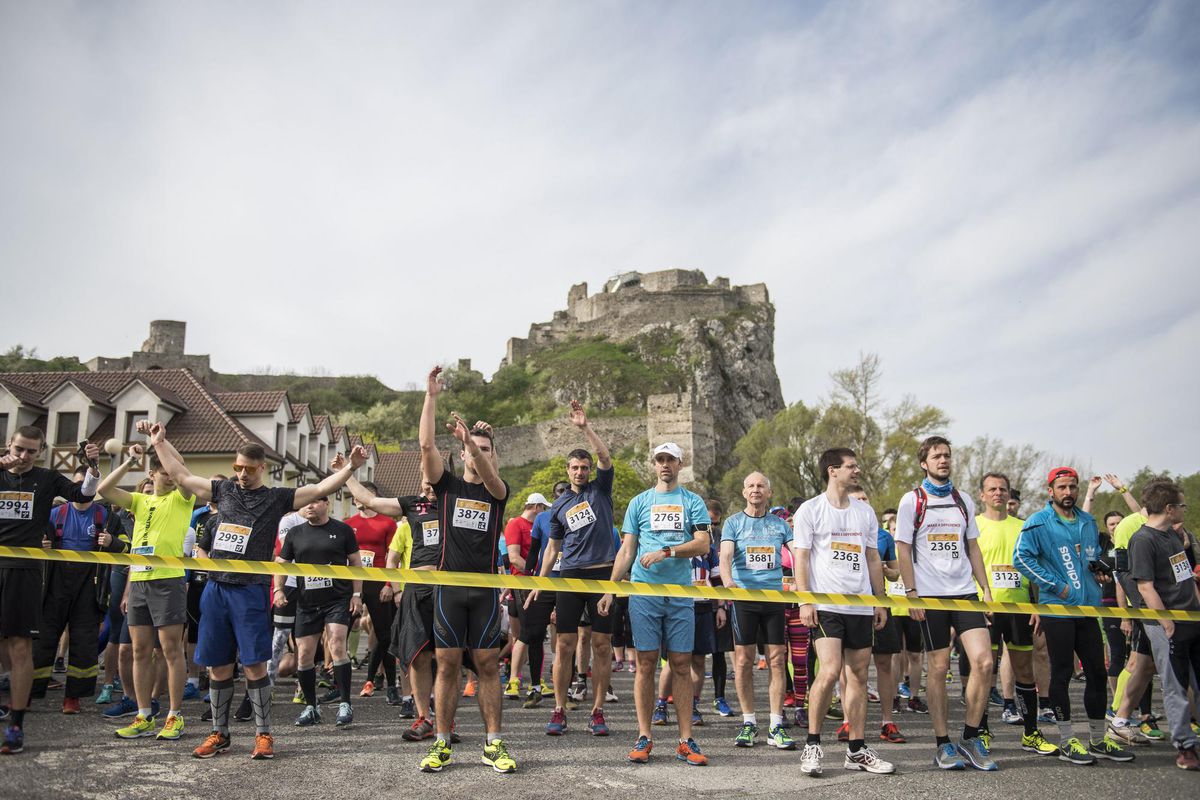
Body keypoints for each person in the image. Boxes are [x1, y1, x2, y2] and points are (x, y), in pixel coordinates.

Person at [147, 421, 367, 761]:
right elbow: (183, 476)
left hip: (249, 592)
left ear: (261, 468)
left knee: (254, 666)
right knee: (218, 667)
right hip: (216, 590)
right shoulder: (223, 490)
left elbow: (320, 487)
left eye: (248, 469)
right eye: (237, 468)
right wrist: (160, 442)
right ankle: (219, 733)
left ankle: (264, 734)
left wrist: (351, 466)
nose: (241, 475)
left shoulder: (276, 498)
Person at [414, 367, 515, 775]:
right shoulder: (448, 486)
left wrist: (474, 445)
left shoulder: (497, 491)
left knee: (488, 665)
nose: (480, 454)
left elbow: (491, 477)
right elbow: (424, 446)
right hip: (450, 590)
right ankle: (441, 742)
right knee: (447, 664)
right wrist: (431, 397)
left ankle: (494, 743)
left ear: (493, 455)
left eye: (487, 449)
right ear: (459, 456)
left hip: (486, 591)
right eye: (474, 449)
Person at [598, 442, 712, 767]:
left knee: (680, 663)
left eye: (670, 460)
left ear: (680, 463)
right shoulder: (639, 502)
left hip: (679, 593)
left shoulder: (692, 501)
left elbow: (703, 542)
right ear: (654, 464)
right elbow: (627, 550)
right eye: (660, 460)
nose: (665, 465)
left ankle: (685, 739)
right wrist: (610, 589)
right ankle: (644, 737)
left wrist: (667, 552)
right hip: (644, 591)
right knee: (645, 664)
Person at [1014, 467, 1133, 765]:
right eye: (1062, 487)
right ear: (1050, 490)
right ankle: (1067, 741)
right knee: (1063, 673)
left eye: (1073, 487)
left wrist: (1099, 570)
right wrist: (1056, 585)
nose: (1068, 493)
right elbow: (1021, 559)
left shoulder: (1088, 521)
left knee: (1095, 672)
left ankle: (1097, 740)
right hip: (1057, 609)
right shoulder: (1038, 522)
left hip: (1088, 608)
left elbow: (1090, 556)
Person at [895, 436, 996, 771]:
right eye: (937, 456)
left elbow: (973, 549)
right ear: (924, 462)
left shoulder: (962, 498)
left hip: (965, 592)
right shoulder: (913, 500)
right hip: (930, 594)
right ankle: (942, 744)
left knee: (984, 663)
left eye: (948, 455)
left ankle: (969, 737)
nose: (944, 460)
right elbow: (903, 550)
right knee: (938, 668)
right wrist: (911, 594)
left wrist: (986, 590)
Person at [0, 427, 101, 754]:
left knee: (20, 647)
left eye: (31, 451)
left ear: (40, 452)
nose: (23, 456)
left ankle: (17, 724)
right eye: (18, 449)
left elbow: (82, 495)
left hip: (24, 571)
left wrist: (93, 469)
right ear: (8, 445)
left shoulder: (45, 478)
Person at [794, 450, 894, 776]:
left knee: (860, 676)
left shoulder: (864, 512)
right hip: (825, 605)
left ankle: (856, 748)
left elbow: (873, 558)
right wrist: (805, 601)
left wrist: (879, 600)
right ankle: (812, 744)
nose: (857, 470)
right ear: (832, 470)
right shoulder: (811, 509)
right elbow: (802, 558)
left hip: (860, 605)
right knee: (829, 670)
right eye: (851, 466)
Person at [528, 400, 618, 738]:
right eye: (575, 468)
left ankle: (597, 711)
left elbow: (606, 458)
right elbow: (552, 548)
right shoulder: (559, 506)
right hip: (569, 577)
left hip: (602, 573)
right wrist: (539, 581)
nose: (580, 472)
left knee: (601, 645)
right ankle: (559, 709)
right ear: (567, 471)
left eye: (584, 467)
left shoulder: (601, 490)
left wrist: (585, 428)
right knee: (564, 645)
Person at [97, 444, 194, 742]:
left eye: (171, 473)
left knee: (169, 651)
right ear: (152, 474)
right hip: (138, 580)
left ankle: (174, 715)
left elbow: (183, 472)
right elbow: (103, 488)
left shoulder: (181, 497)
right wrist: (129, 461)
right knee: (139, 651)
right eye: (163, 473)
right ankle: (143, 715)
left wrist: (163, 445)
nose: (169, 477)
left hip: (168, 581)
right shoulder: (138, 500)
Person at [974, 472, 1059, 756]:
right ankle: (981, 730)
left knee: (1025, 671)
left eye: (1003, 489)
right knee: (984, 672)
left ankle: (1031, 733)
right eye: (992, 489)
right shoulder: (973, 526)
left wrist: (1038, 606)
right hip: (985, 609)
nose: (998, 493)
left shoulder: (1024, 527)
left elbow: (1037, 570)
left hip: (1020, 608)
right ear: (982, 495)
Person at [31, 463, 123, 713]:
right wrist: (42, 546)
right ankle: (29, 692)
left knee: (84, 641)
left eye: (86, 483)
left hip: (90, 584)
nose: (82, 489)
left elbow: (127, 546)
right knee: (44, 637)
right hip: (54, 582)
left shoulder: (106, 516)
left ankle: (73, 697)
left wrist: (112, 542)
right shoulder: (53, 514)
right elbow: (30, 541)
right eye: (78, 484)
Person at [718, 471, 796, 750]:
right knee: (743, 661)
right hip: (744, 599)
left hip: (774, 598)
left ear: (768, 492)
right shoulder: (733, 523)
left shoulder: (780, 525)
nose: (756, 489)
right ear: (743, 492)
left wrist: (804, 581)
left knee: (777, 659)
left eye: (761, 485)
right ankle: (749, 722)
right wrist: (729, 584)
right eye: (750, 485)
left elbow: (798, 554)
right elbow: (725, 555)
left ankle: (776, 724)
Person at [1126, 477, 1200, 771]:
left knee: (1196, 681)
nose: (1184, 509)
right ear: (1169, 508)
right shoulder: (1143, 540)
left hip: (1191, 619)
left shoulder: (1172, 535)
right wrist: (1165, 621)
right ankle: (1185, 746)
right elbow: (1145, 586)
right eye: (1181, 505)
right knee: (1175, 685)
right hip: (1167, 625)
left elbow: (1183, 576)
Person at [275, 496, 362, 728]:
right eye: (305, 504)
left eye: (314, 502)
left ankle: (345, 703)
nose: (309, 506)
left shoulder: (342, 530)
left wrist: (356, 595)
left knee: (336, 643)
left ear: (326, 504)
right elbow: (281, 563)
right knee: (304, 654)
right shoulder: (295, 533)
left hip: (336, 599)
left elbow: (356, 563)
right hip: (307, 601)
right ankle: (311, 707)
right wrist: (278, 590)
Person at [342, 481, 399, 705]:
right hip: (354, 583)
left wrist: (388, 584)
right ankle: (339, 687)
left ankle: (390, 686)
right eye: (357, 495)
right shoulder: (348, 524)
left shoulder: (387, 523)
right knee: (340, 633)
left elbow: (392, 556)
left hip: (377, 583)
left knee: (385, 635)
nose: (360, 498)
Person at [517, 480, 569, 709]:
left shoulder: (578, 516)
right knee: (534, 634)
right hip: (544, 582)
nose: (562, 495)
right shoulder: (541, 519)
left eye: (566, 492)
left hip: (569, 583)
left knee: (568, 638)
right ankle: (536, 687)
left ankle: (567, 688)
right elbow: (534, 552)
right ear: (552, 496)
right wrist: (528, 577)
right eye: (559, 492)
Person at [502, 492, 546, 701]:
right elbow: (513, 557)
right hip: (523, 584)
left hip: (535, 583)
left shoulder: (535, 527)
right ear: (536, 507)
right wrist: (535, 575)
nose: (544, 513)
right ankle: (513, 680)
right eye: (543, 508)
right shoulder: (515, 524)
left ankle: (535, 680)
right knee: (526, 634)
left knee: (535, 634)